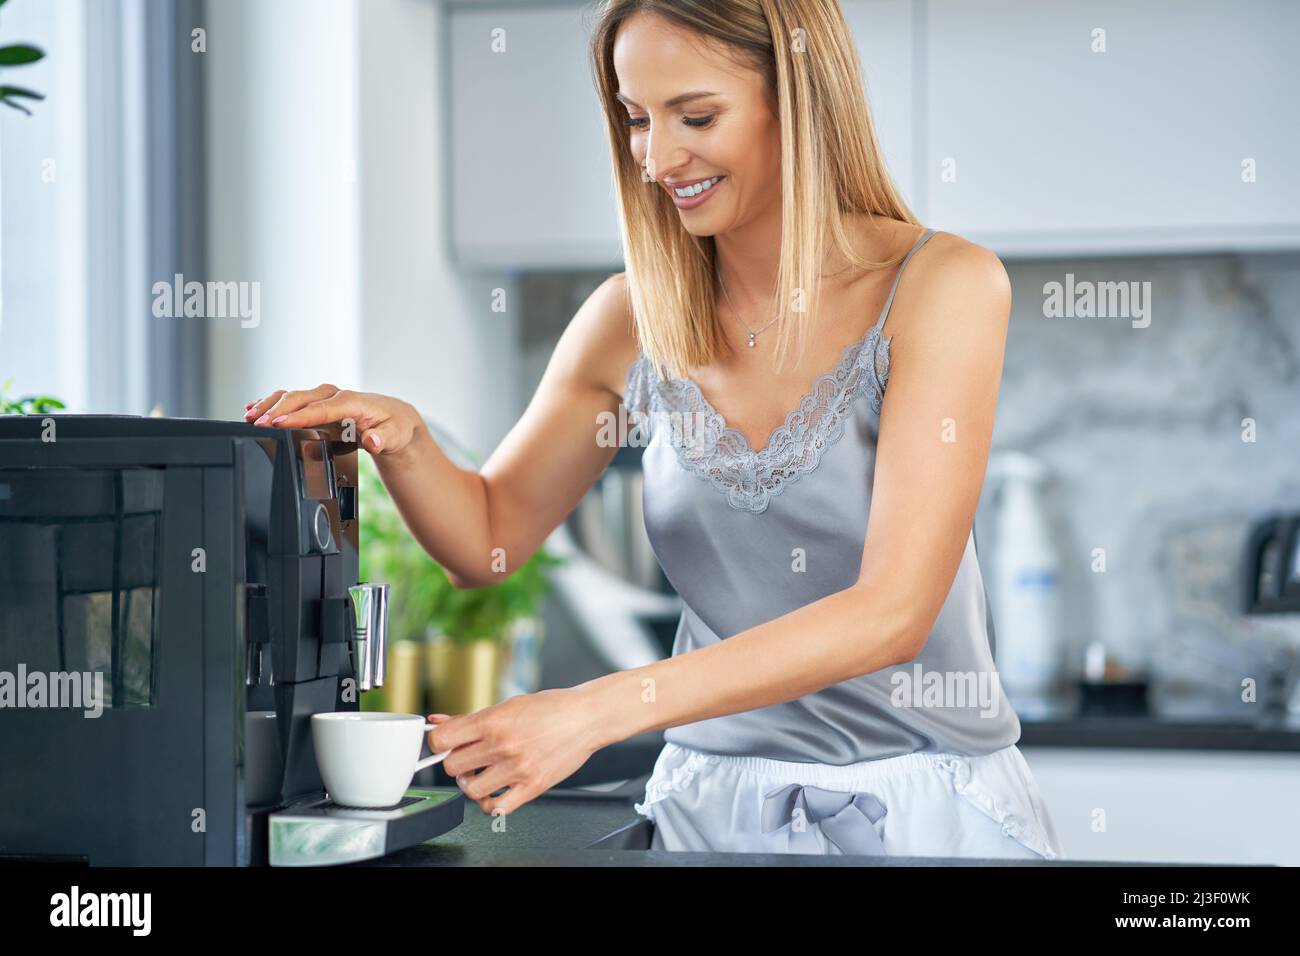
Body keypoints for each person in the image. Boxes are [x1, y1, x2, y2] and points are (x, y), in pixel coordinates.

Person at [245, 0, 1062, 859]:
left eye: (696, 116)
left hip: (923, 806)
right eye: (636, 120)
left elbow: (890, 612)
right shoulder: (628, 318)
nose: (657, 159)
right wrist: (405, 442)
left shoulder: (943, 286)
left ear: (801, 100)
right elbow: (486, 539)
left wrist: (592, 712)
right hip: (705, 812)